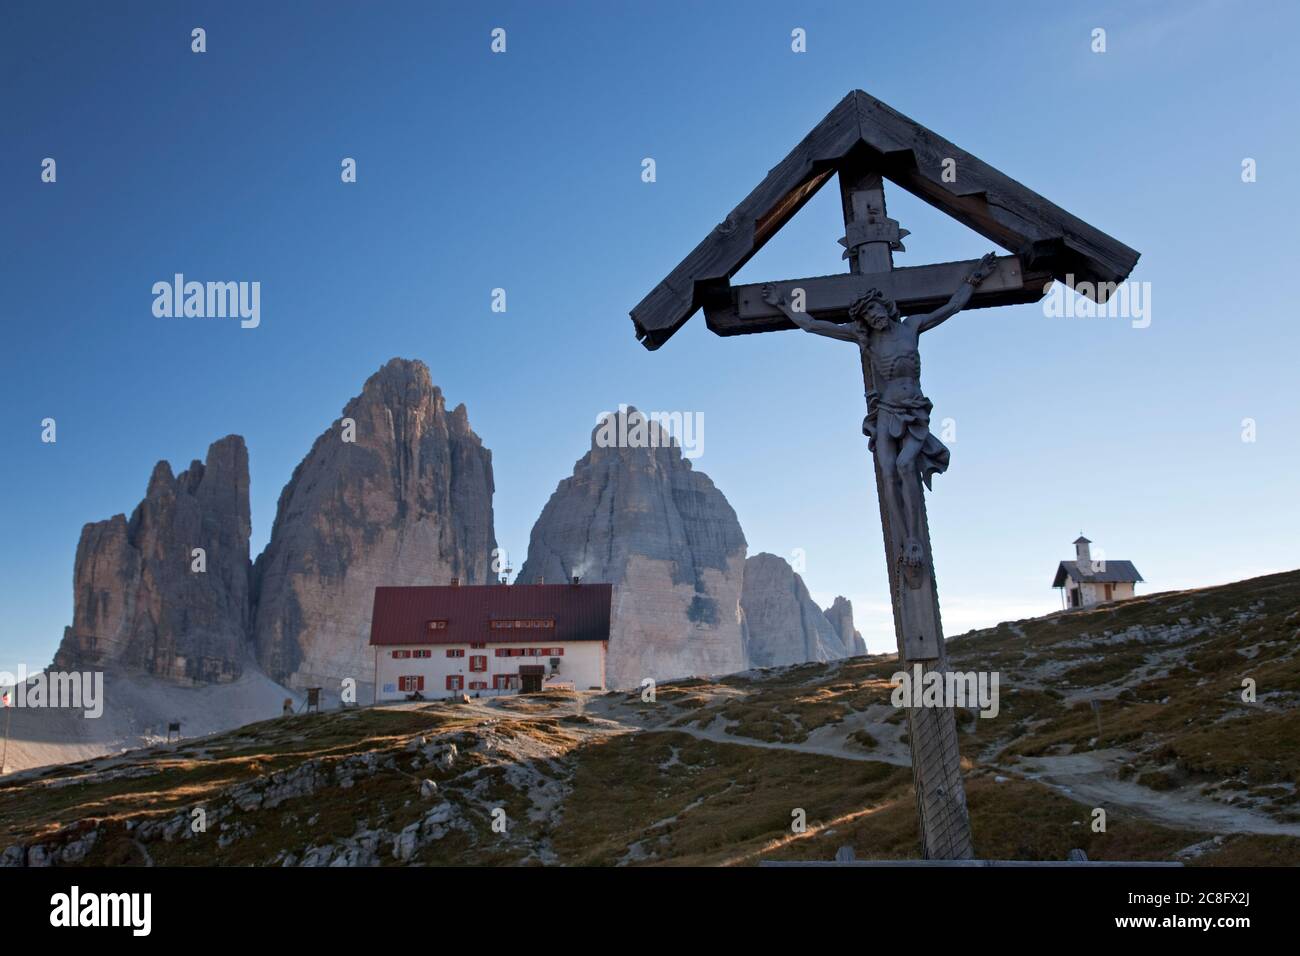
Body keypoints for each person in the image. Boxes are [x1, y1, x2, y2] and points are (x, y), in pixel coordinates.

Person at [762, 252, 998, 569]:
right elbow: (812, 325)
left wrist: (974, 279)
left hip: (914, 410)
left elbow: (951, 307)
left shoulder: (912, 326)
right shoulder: (867, 340)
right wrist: (782, 303)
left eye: (875, 311)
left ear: (885, 308)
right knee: (888, 473)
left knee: (904, 466)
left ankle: (914, 537)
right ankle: (905, 541)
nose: (874, 319)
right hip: (886, 412)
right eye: (867, 317)